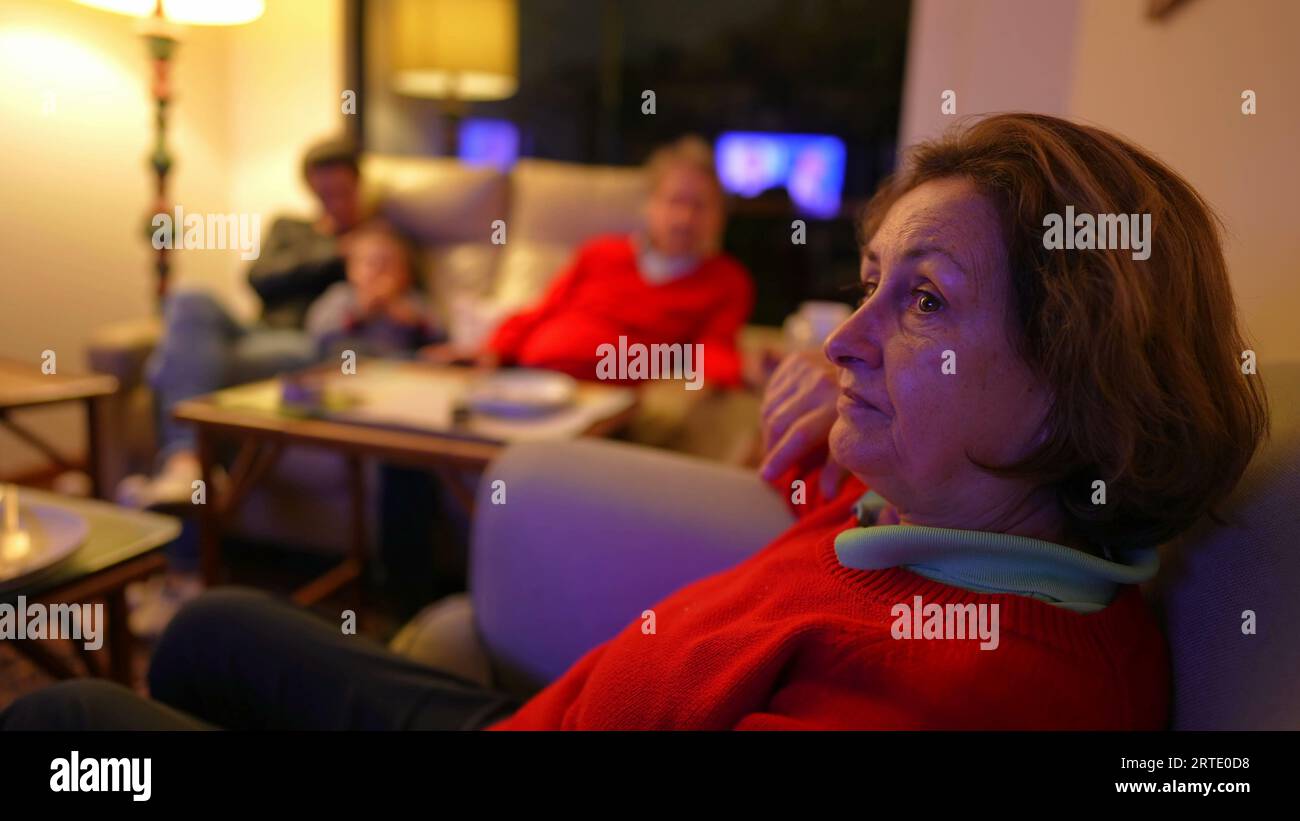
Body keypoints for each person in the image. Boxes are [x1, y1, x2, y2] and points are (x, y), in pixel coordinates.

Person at [0, 113, 1268, 730]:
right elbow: (820, 518)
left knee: (61, 722)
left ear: (1088, 375)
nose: (842, 340)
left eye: (923, 296)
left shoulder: (976, 687)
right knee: (211, 624)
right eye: (868, 284)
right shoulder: (953, 512)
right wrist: (843, 433)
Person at [118, 135, 365, 512]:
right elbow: (258, 278)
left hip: (305, 344)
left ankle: (184, 464)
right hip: (257, 330)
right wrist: (331, 252)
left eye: (342, 191)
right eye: (324, 192)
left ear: (358, 184)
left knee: (170, 365)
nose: (334, 201)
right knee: (188, 297)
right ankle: (190, 467)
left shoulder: (373, 241)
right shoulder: (291, 227)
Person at [425, 135, 754, 389]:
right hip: (524, 377)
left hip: (602, 397)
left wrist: (749, 371)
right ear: (651, 205)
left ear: (718, 217)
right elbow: (543, 311)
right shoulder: (600, 253)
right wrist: (490, 350)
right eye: (675, 202)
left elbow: (713, 355)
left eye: (699, 206)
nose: (684, 218)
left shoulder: (726, 281)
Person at [305, 220, 444, 360]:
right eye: (370, 263)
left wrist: (416, 322)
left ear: (406, 274)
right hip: (348, 357)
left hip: (397, 360)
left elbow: (439, 333)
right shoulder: (343, 295)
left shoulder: (411, 299)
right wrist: (357, 314)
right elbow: (317, 330)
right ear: (351, 270)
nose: (379, 270)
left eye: (388, 263)